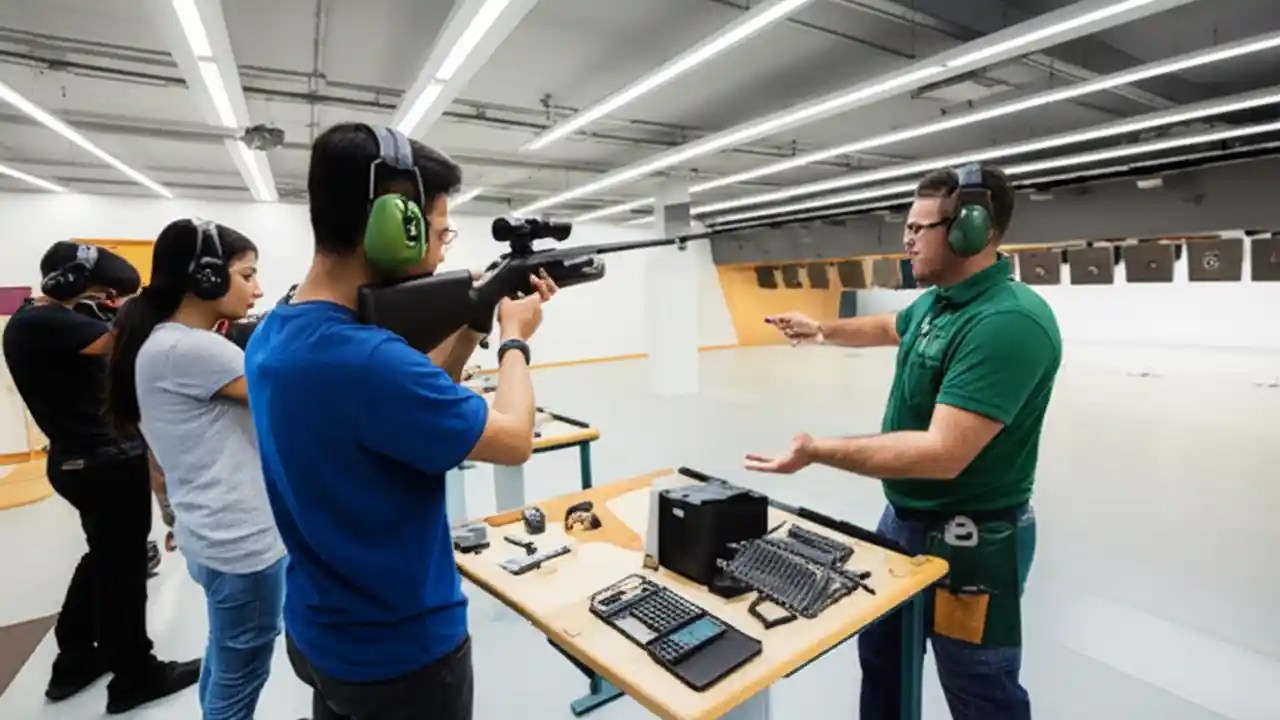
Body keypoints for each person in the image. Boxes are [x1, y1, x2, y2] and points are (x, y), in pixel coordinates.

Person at [243, 122, 556, 720]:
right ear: (396, 228)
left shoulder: (277, 330)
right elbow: (514, 438)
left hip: (320, 633)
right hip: (401, 656)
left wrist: (475, 322)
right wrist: (515, 339)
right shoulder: (366, 359)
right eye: (438, 233)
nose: (442, 252)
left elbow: (417, 400)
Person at [748, 164, 1061, 720]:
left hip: (975, 541)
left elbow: (942, 454)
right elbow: (893, 326)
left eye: (921, 227)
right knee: (884, 660)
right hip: (905, 521)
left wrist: (819, 450)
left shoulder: (1007, 323)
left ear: (972, 230)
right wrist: (821, 330)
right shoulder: (939, 301)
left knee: (978, 687)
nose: (907, 238)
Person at [1, 241, 200, 714]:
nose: (106, 300)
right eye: (99, 289)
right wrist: (168, 296)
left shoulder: (51, 321)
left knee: (105, 560)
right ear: (67, 281)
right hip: (99, 463)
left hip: (92, 459)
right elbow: (122, 341)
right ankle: (135, 674)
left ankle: (74, 660)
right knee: (125, 570)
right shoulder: (42, 321)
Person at [103, 219, 286, 720]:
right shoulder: (194, 348)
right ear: (205, 277)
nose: (258, 288)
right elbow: (296, 395)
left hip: (210, 531)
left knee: (226, 656)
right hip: (240, 540)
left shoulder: (161, 342)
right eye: (247, 274)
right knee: (241, 671)